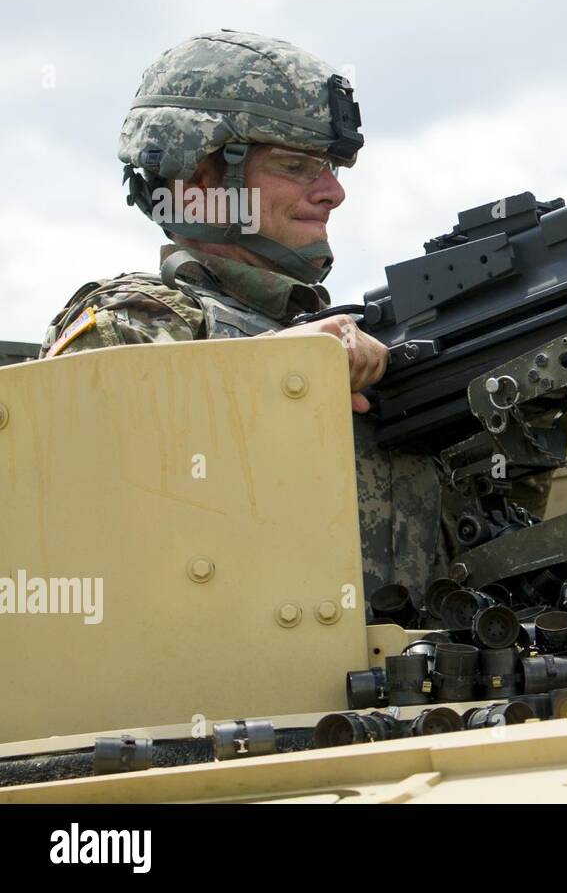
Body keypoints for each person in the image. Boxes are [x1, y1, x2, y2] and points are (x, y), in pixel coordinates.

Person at [40, 30, 444, 601]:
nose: (333, 192)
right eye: (298, 165)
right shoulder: (133, 318)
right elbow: (80, 476)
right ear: (203, 177)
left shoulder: (345, 344)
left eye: (330, 167)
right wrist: (287, 371)